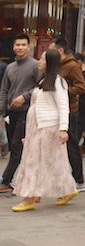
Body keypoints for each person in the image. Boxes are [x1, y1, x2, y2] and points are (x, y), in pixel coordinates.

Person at [11, 49, 78, 211]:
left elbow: (63, 107)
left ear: (50, 63)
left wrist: (63, 129)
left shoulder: (58, 82)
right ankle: (67, 188)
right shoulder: (43, 81)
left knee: (37, 161)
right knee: (52, 161)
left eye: (42, 59)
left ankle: (30, 198)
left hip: (48, 127)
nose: (39, 61)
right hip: (37, 127)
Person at [0, 34, 40, 193]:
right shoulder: (10, 67)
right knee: (14, 146)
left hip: (27, 112)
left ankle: (6, 180)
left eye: (24, 45)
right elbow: (4, 90)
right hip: (11, 113)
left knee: (16, 146)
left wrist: (25, 97)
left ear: (29, 47)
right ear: (13, 47)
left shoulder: (36, 65)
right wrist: (2, 109)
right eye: (18, 45)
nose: (21, 48)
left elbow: (40, 87)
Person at [52, 37, 85, 190]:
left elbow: (81, 87)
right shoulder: (55, 65)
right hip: (55, 110)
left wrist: (63, 92)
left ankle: (79, 180)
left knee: (72, 146)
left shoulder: (72, 66)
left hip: (70, 110)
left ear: (60, 50)